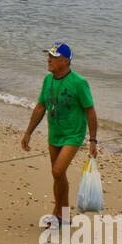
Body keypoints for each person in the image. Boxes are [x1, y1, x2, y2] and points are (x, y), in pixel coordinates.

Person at [20, 42, 97, 229]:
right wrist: (28, 132)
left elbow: (90, 111)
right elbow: (40, 107)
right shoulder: (48, 80)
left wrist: (93, 140)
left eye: (53, 57)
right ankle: (61, 214)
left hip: (73, 135)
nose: (49, 60)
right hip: (55, 133)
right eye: (49, 56)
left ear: (65, 61)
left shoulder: (79, 83)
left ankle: (60, 214)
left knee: (57, 170)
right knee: (58, 175)